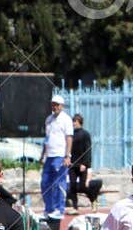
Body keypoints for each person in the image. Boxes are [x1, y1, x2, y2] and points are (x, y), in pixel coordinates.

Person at [41, 94, 74, 222]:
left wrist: (67, 155)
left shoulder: (66, 119)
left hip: (60, 155)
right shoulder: (48, 119)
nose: (54, 107)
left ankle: (59, 209)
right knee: (45, 183)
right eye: (53, 104)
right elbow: (46, 138)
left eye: (57, 104)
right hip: (49, 155)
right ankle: (49, 209)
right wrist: (42, 154)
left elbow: (69, 138)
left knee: (58, 183)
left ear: (62, 106)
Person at [67, 114, 95, 211]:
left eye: (75, 121)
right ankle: (75, 206)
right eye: (73, 121)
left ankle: (93, 199)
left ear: (80, 122)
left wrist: (85, 163)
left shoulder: (85, 134)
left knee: (83, 187)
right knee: (73, 185)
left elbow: (88, 150)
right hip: (72, 164)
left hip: (82, 165)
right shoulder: (70, 135)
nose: (73, 123)